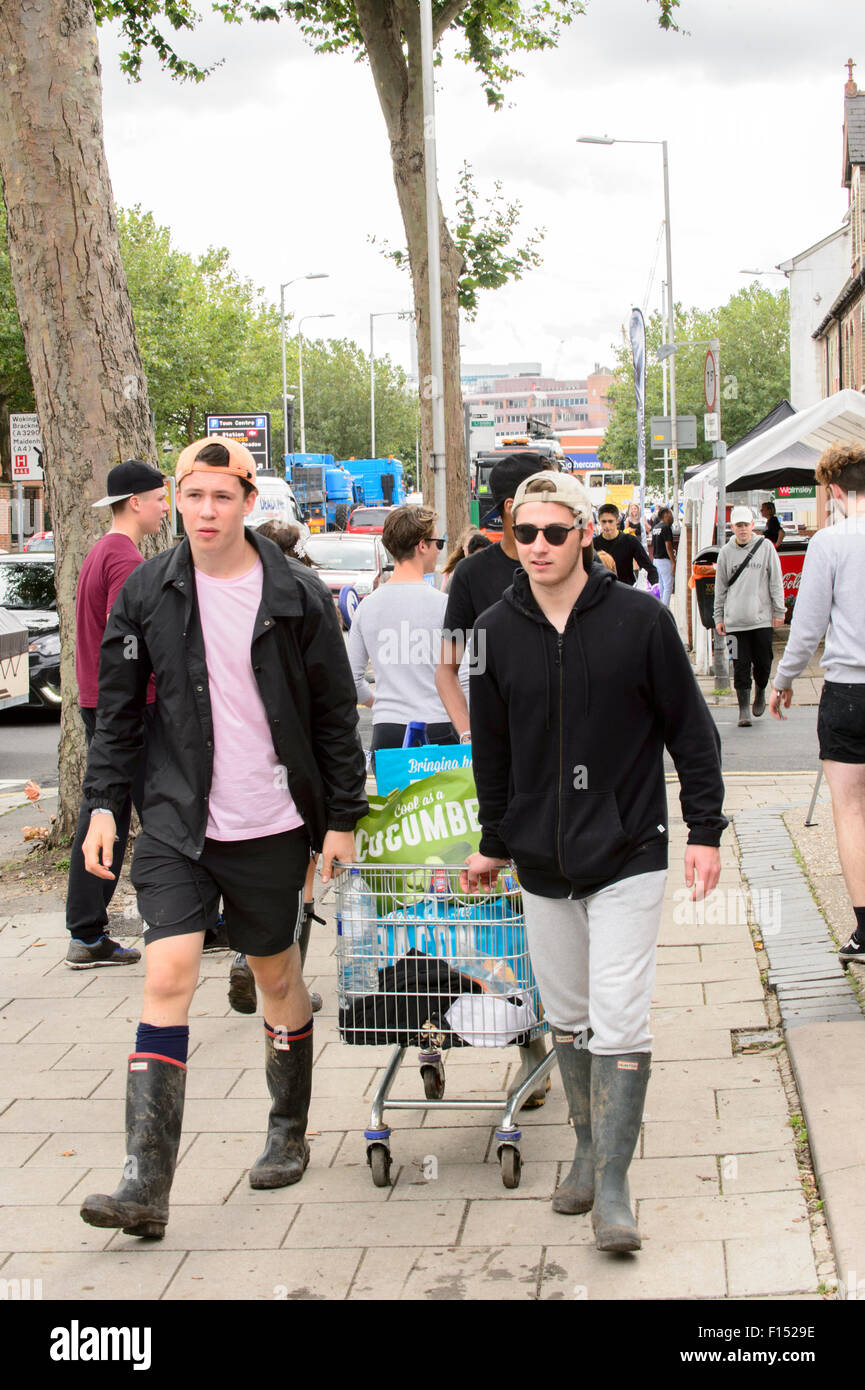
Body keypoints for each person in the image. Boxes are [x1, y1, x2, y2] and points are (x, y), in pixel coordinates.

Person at [77, 437, 367, 1238]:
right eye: (192, 496)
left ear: (248, 501)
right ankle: (144, 1182)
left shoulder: (296, 594)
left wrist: (341, 818)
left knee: (276, 978)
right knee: (167, 970)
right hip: (176, 818)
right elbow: (119, 717)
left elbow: (333, 716)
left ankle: (285, 1130)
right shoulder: (147, 589)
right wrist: (104, 806)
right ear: (174, 497)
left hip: (271, 823)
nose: (205, 512)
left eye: (221, 497)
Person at [461, 470, 725, 1252]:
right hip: (541, 859)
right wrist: (493, 841)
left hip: (629, 847)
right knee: (569, 1017)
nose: (536, 547)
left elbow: (691, 733)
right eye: (523, 534)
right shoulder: (493, 629)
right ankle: (583, 1148)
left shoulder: (638, 622)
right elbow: (493, 751)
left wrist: (704, 831)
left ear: (585, 533)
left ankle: (613, 1183)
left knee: (617, 1014)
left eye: (553, 532)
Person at [436, 451, 555, 1107]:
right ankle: (532, 1048)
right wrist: (467, 735)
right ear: (509, 509)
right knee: (506, 916)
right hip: (502, 778)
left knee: (555, 911)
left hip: (565, 778)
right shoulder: (475, 575)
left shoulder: (575, 562)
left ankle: (568, 1033)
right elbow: (445, 670)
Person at [64, 460, 169, 969]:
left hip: (97, 700)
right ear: (136, 503)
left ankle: (86, 932)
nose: (165, 507)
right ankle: (184, 920)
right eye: (160, 498)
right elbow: (132, 643)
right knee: (166, 810)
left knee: (105, 811)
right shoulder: (125, 559)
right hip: (130, 707)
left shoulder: (100, 552)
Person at [227, 518, 327, 1017]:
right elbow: (329, 697)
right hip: (293, 775)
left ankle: (253, 958)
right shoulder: (302, 591)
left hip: (243, 787)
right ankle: (285, 970)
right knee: (299, 879)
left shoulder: (254, 592)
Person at [770, 442, 865, 964]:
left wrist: (783, 679)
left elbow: (806, 627)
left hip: (850, 690)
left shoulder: (829, 542)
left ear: (834, 490)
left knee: (851, 810)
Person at [347, 504, 455, 760]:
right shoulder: (446, 606)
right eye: (438, 543)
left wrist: (378, 703)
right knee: (443, 801)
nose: (440, 550)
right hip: (439, 726)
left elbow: (351, 678)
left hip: (388, 729)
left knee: (393, 801)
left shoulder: (367, 606)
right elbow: (467, 676)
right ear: (422, 545)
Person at [714, 505, 785, 728]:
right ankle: (743, 708)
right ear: (732, 527)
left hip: (761, 619)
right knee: (739, 665)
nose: (743, 529)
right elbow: (720, 588)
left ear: (753, 525)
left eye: (746, 525)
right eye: (738, 525)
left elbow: (776, 581)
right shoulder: (726, 552)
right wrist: (718, 617)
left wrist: (779, 610)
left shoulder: (766, 548)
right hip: (734, 622)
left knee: (764, 662)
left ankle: (761, 690)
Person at [594, 503, 659, 588]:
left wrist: (655, 588)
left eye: (610, 521)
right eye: (604, 521)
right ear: (599, 520)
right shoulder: (593, 544)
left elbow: (649, 567)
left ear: (617, 520)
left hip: (626, 590)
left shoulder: (630, 541)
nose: (607, 525)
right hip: (602, 591)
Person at [650, 505, 676, 605]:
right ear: (665, 514)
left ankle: (661, 606)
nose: (671, 516)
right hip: (664, 560)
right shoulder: (666, 527)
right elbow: (668, 546)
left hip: (656, 560)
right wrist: (673, 562)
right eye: (670, 513)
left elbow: (653, 545)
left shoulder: (656, 527)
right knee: (668, 586)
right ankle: (665, 609)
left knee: (662, 586)